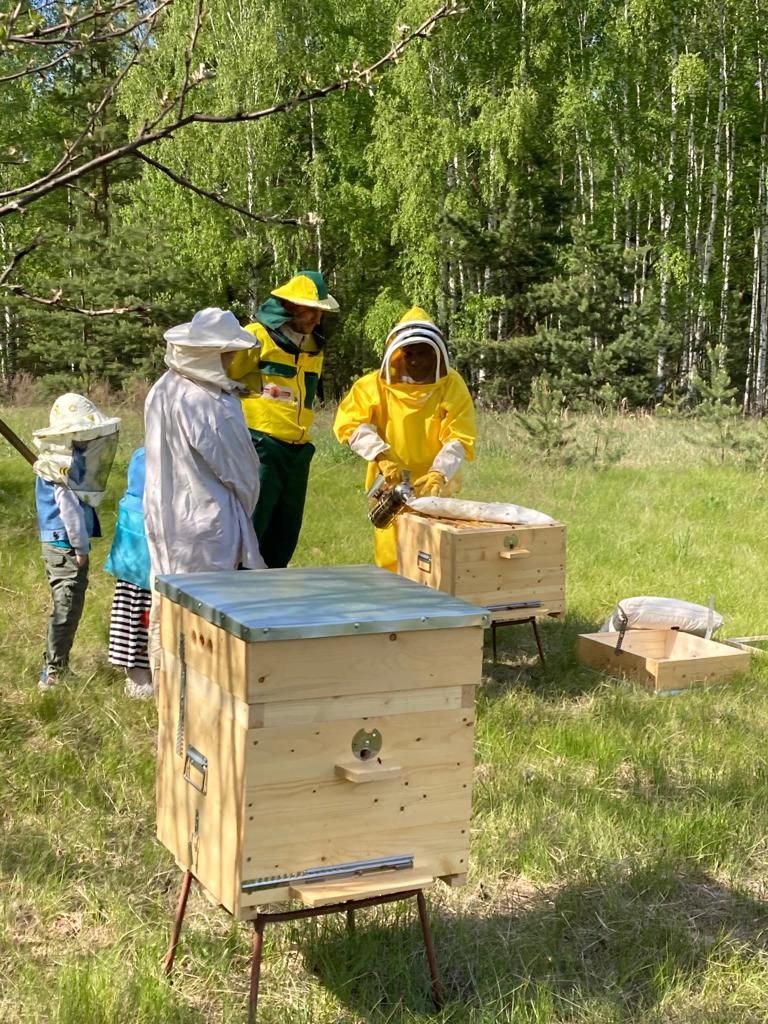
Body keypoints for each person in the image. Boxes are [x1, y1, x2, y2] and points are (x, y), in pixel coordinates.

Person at [144, 307, 267, 674]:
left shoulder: (164, 387)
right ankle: (198, 699)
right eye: (228, 355)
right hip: (206, 525)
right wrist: (244, 511)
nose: (234, 363)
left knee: (168, 604)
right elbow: (243, 475)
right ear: (209, 356)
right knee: (206, 616)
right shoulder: (211, 403)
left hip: (164, 518)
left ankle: (167, 697)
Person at [334, 307, 477, 572]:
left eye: (424, 352)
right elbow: (350, 424)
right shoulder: (373, 384)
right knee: (391, 557)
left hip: (436, 487)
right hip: (391, 487)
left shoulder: (451, 384)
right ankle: (396, 610)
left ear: (436, 354)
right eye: (409, 353)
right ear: (396, 353)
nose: (416, 361)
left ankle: (433, 611)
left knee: (435, 560)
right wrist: (382, 456)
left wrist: (438, 474)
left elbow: (459, 436)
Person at [227, 270, 339, 568]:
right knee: (253, 528)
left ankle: (273, 592)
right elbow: (225, 381)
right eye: (311, 311)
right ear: (290, 306)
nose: (317, 319)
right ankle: (235, 592)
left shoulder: (314, 345)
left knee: (285, 533)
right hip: (261, 446)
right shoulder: (255, 336)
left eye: (320, 312)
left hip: (298, 451)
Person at [32, 393, 121, 691]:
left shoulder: (57, 461)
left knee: (69, 604)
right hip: (65, 545)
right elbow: (69, 512)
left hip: (59, 544)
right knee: (67, 604)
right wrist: (80, 549)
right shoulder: (60, 466)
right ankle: (53, 672)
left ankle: (59, 666)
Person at [104, 447, 154, 700]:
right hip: (140, 572)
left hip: (144, 571)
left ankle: (147, 675)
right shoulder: (146, 458)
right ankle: (138, 679)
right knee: (137, 623)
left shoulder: (141, 456)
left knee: (143, 621)